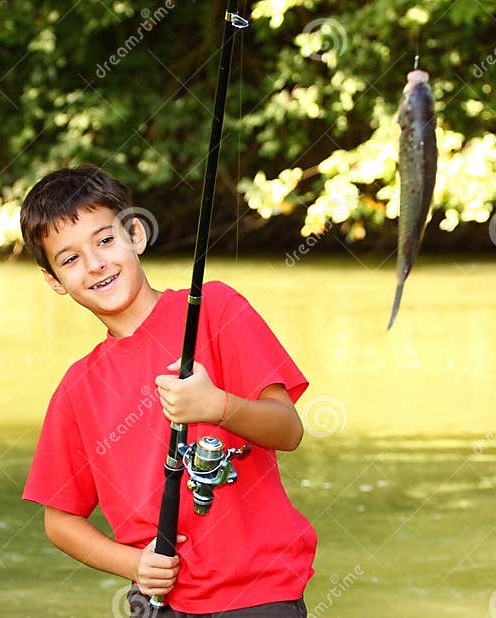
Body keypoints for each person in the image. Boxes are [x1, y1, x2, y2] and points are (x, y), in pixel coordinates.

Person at [19, 165, 315, 617]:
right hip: (160, 603)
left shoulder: (217, 309)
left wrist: (219, 406)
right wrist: (133, 563)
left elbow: (288, 429)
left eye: (105, 240)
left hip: (261, 592)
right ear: (55, 281)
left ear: (135, 235)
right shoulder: (77, 389)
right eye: (70, 259)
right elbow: (59, 520)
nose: (95, 264)